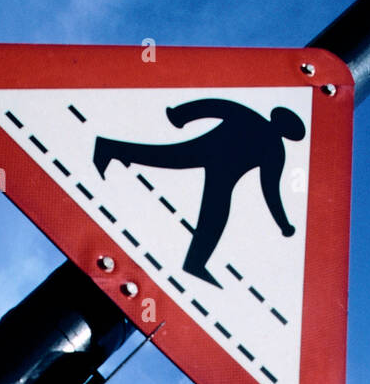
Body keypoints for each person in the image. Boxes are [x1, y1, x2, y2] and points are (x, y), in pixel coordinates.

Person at [93, 100, 306, 286]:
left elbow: (270, 189)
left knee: (214, 211)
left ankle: (196, 263)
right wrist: (180, 114)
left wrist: (180, 114)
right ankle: (107, 148)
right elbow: (216, 106)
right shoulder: (269, 141)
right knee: (163, 158)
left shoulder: (272, 147)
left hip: (223, 170)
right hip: (212, 155)